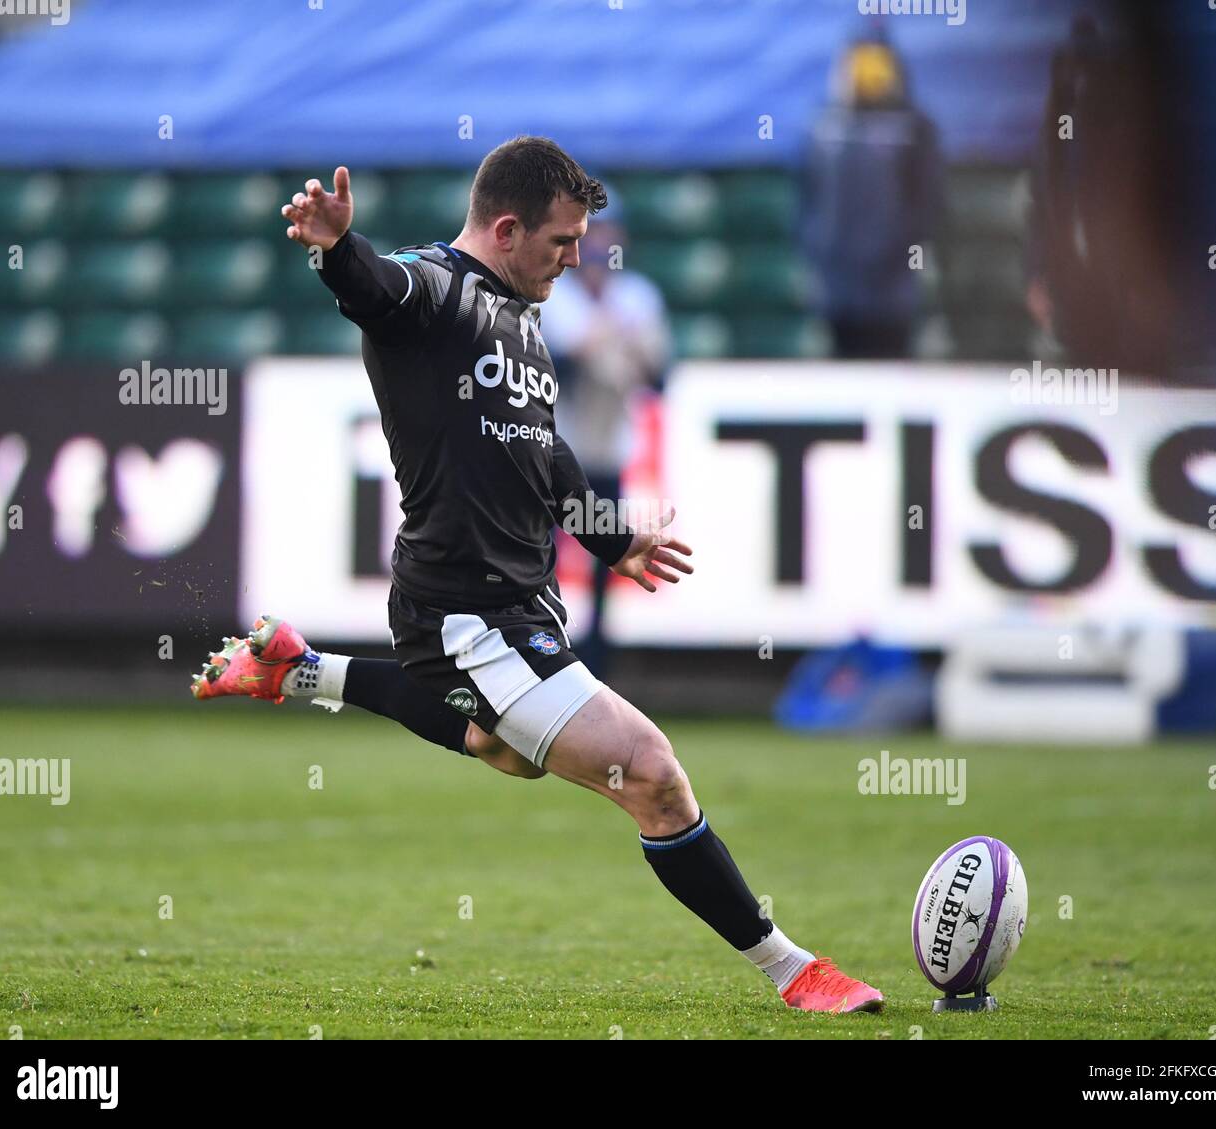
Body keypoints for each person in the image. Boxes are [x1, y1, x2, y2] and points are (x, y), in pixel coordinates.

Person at [191, 136, 882, 1013]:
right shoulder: (435, 290)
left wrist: (610, 537)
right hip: (463, 610)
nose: (575, 259)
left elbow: (543, 452)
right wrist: (336, 251)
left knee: (504, 751)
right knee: (652, 772)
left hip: (525, 603)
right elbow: (377, 288)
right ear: (508, 228)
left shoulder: (521, 316)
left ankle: (300, 668)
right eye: (561, 243)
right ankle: (795, 971)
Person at [542, 188, 670, 678]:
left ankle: (595, 665)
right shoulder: (557, 294)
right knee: (544, 553)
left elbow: (657, 377)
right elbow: (564, 366)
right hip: (558, 448)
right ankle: (543, 647)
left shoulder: (637, 296)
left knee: (607, 558)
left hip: (609, 446)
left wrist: (623, 350)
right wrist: (607, 344)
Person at [800, 32, 942, 358]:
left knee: (893, 369)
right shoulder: (824, 129)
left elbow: (928, 204)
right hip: (839, 290)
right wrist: (820, 259)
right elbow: (808, 201)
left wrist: (907, 258)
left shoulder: (914, 130)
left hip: (894, 290)